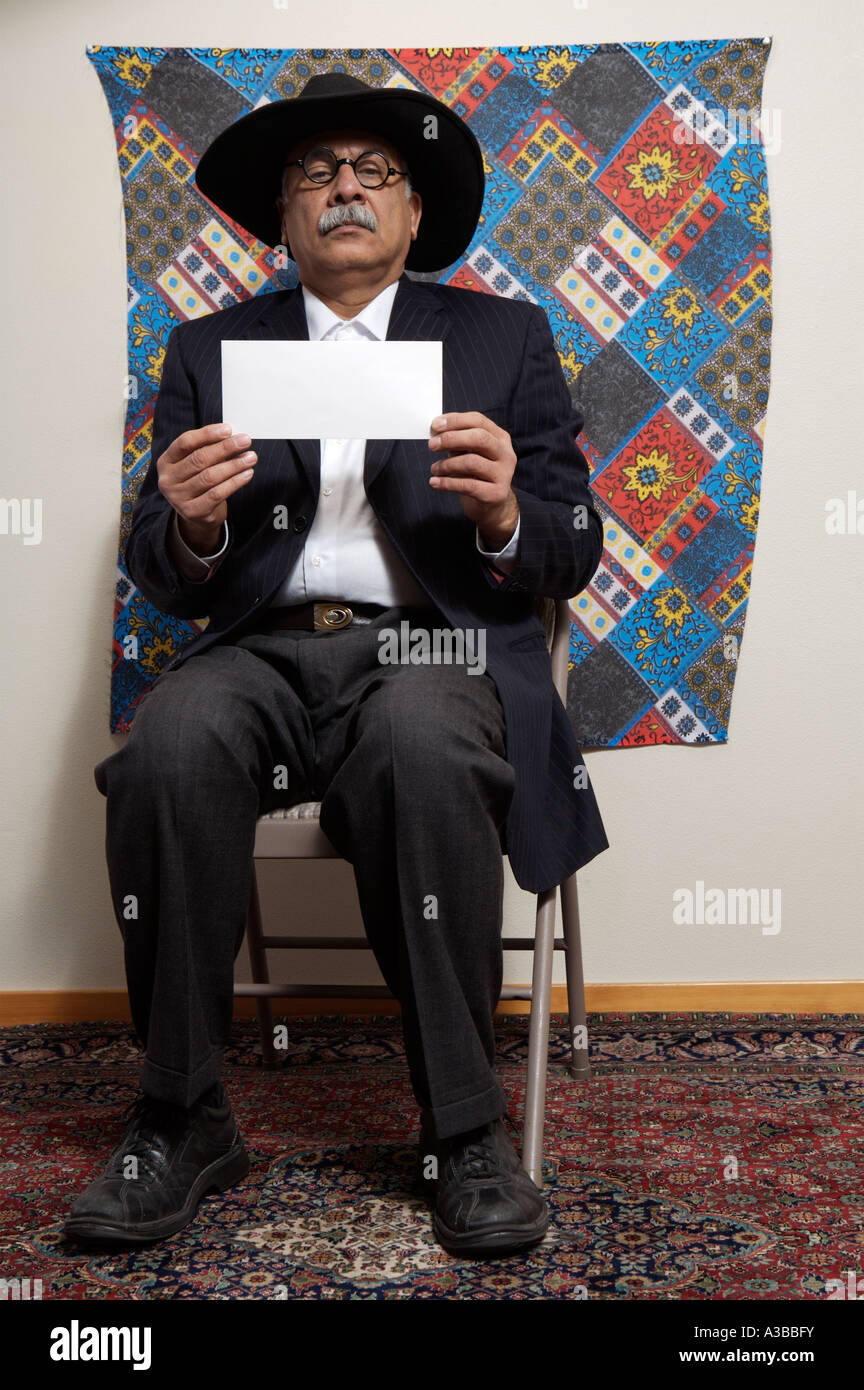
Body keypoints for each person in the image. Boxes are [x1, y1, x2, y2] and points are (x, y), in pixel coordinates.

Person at [64, 71, 609, 1259]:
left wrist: (511, 509)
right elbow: (160, 563)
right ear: (283, 217)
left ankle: (462, 1132)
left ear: (415, 216)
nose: (346, 188)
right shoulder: (211, 347)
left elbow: (573, 546)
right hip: (262, 650)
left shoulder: (501, 335)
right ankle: (182, 1112)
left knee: (419, 740)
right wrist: (198, 525)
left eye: (374, 172)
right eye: (317, 173)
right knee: (167, 745)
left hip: (432, 649)